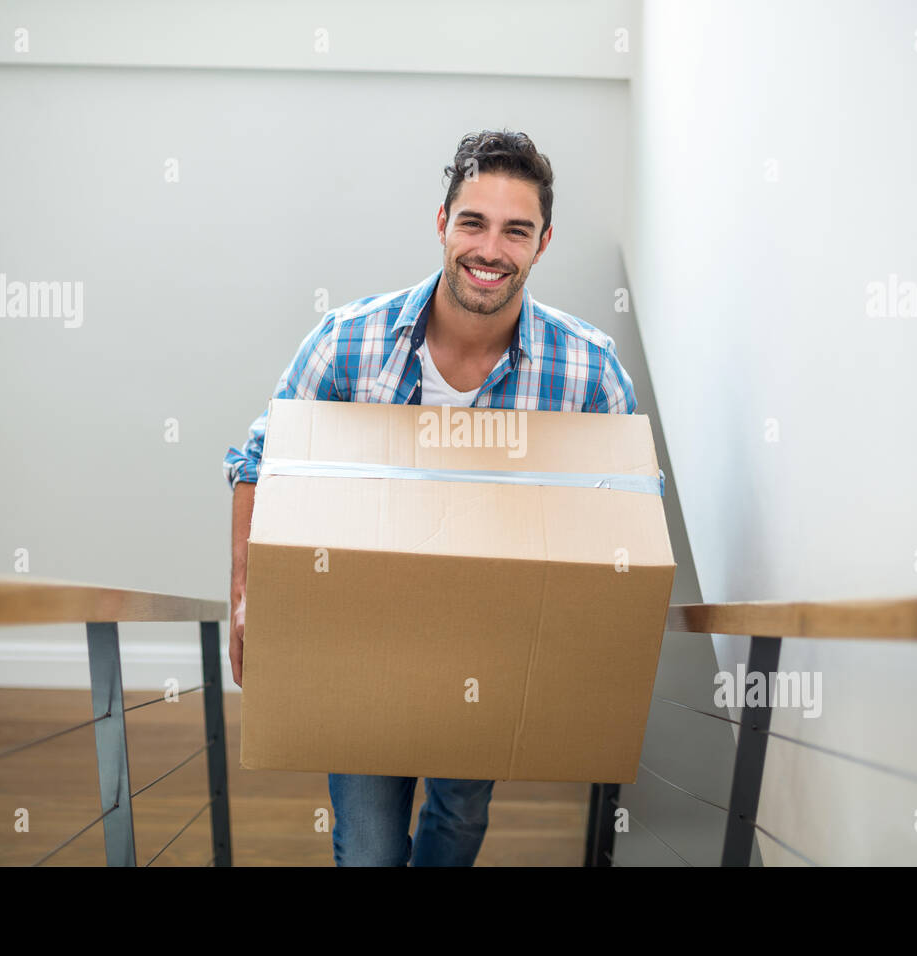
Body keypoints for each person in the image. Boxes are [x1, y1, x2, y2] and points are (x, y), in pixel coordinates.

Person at [222, 129, 639, 866]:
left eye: (517, 230)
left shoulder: (587, 372)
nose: (491, 249)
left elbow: (627, 508)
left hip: (495, 649)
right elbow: (259, 460)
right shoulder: (350, 342)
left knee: (460, 817)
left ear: (543, 244)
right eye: (474, 222)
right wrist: (248, 595)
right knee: (371, 851)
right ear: (442, 223)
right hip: (358, 640)